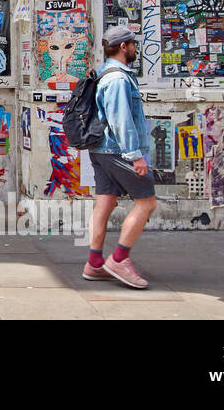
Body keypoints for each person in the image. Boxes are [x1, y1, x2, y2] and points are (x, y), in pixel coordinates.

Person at [83, 26, 156, 289]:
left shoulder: (105, 73)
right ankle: (119, 259)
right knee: (146, 203)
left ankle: (94, 263)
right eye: (133, 44)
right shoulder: (118, 79)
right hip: (117, 151)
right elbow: (121, 120)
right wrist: (135, 156)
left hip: (102, 150)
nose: (136, 48)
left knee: (104, 203)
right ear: (124, 47)